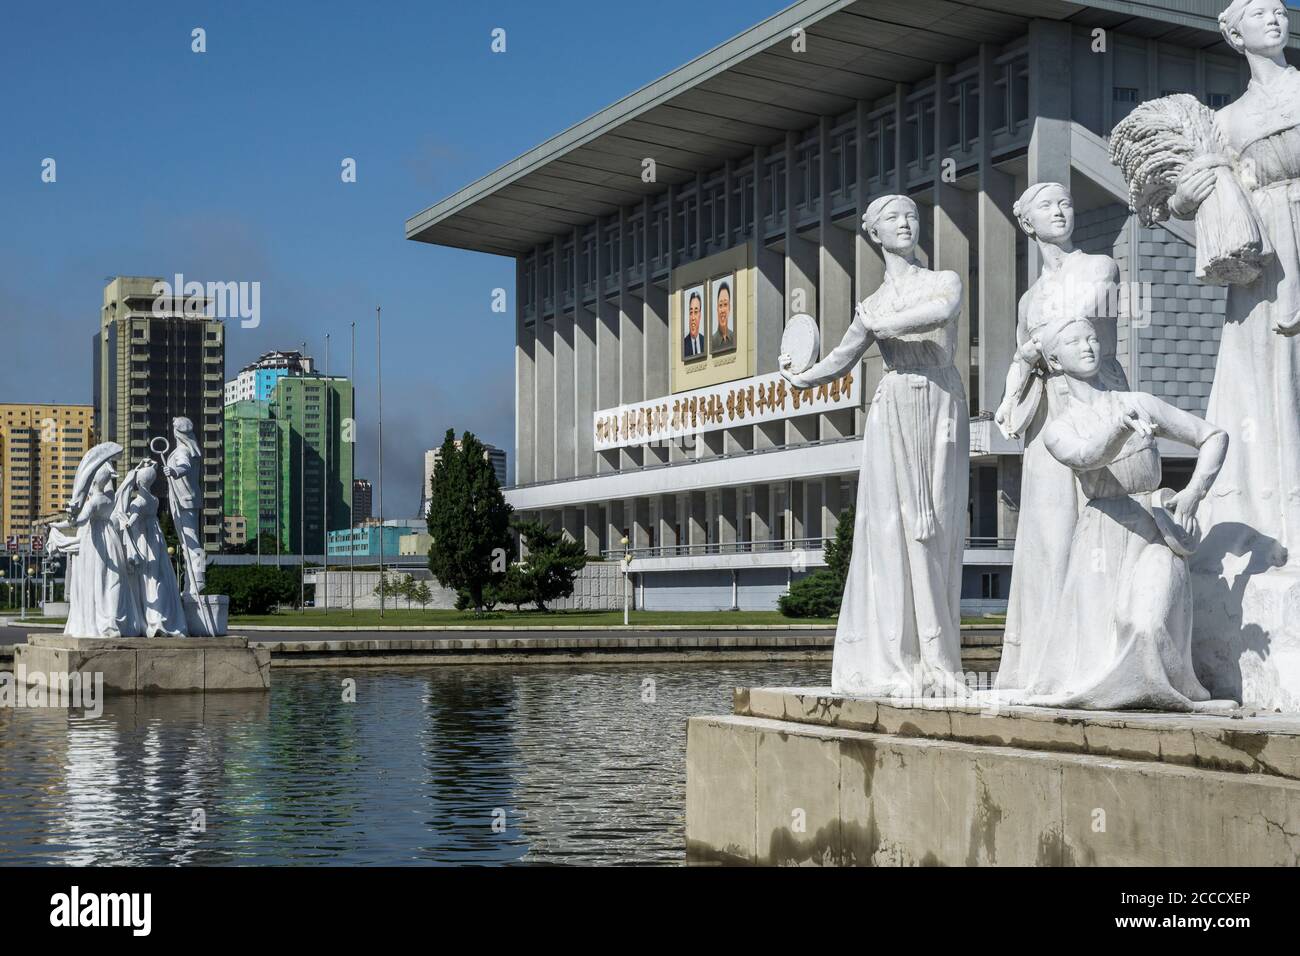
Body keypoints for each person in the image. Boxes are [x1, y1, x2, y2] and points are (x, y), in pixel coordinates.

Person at [780, 194, 968, 697]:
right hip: (894, 409)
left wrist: (882, 324)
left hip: (940, 400)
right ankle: (896, 655)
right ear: (875, 234)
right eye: (892, 219)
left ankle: (940, 661)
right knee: (892, 525)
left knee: (935, 525)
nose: (905, 223)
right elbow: (841, 359)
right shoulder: (871, 304)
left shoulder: (940, 281)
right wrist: (800, 380)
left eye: (911, 216)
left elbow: (940, 312)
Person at [1018, 313, 1229, 710]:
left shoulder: (1137, 403)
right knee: (1107, 637)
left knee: (1146, 621)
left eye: (1093, 338)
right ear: (1057, 362)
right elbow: (1086, 457)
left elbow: (1214, 436)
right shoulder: (1059, 428)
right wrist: (1118, 427)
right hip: (1102, 535)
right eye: (1076, 341)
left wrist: (1192, 495)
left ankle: (1163, 690)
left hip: (1153, 529)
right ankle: (1118, 693)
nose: (1089, 346)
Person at [1171, 0, 1300, 566]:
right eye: (1259, 12)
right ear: (1233, 34)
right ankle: (1276, 513)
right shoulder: (1224, 122)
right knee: (1269, 379)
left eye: (1280, 9)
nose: (1274, 18)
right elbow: (1179, 201)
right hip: (1267, 258)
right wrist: (1185, 195)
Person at [993, 182, 1130, 693]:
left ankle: (1099, 651)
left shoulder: (1100, 267)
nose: (1060, 212)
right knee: (1051, 531)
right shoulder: (1029, 299)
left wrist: (1030, 353)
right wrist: (1023, 369)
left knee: (1104, 520)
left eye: (1066, 203)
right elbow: (1029, 352)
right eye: (1047, 206)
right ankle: (1049, 658)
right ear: (1028, 224)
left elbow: (1073, 328)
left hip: (1096, 400)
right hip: (1049, 411)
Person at [55, 442, 146, 638]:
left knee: (95, 577)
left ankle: (97, 618)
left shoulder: (94, 501)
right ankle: (113, 618)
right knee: (111, 578)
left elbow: (79, 522)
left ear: (92, 482)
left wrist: (64, 521)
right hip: (109, 538)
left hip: (94, 539)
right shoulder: (109, 499)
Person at [115, 459, 187, 637]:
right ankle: (161, 618)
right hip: (156, 539)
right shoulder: (154, 500)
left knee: (147, 579)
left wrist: (122, 520)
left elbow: (130, 523)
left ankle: (151, 619)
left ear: (138, 482)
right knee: (159, 575)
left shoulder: (137, 503)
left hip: (144, 542)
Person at [163, 417, 206, 596]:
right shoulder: (190, 449)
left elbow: (184, 466)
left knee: (190, 541)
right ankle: (192, 583)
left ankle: (198, 579)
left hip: (183, 502)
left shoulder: (182, 450)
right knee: (187, 541)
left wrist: (174, 472)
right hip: (187, 500)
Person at [711, 281, 736, 353]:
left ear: (729, 308)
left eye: (725, 304)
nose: (722, 310)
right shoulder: (712, 341)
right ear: (717, 309)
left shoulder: (734, 338)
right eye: (720, 305)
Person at [682, 290, 706, 359]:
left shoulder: (705, 342)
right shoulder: (683, 345)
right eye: (691, 312)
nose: (693, 318)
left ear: (700, 315)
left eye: (695, 312)